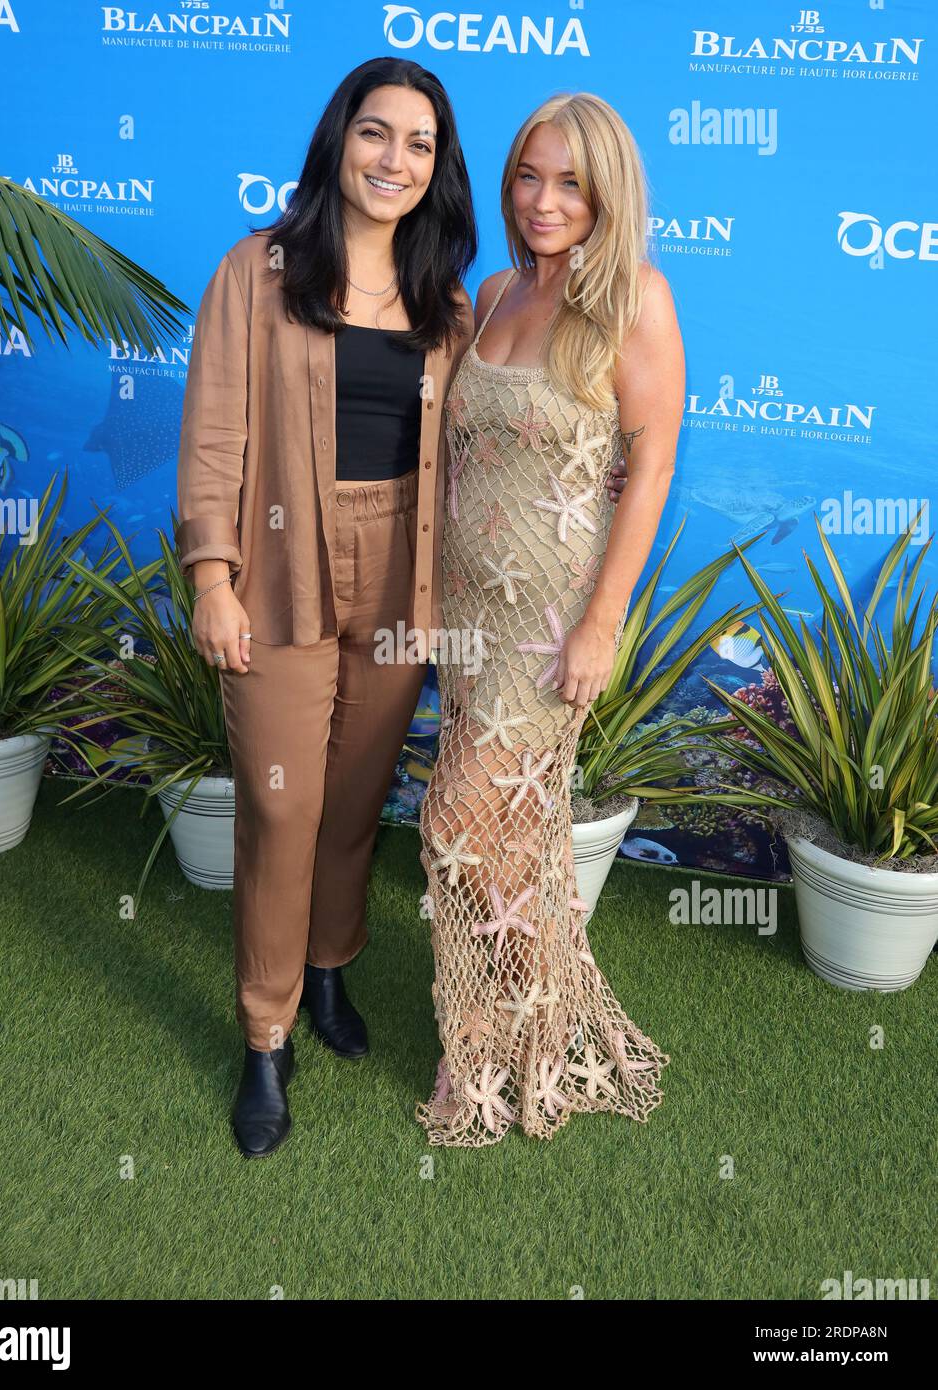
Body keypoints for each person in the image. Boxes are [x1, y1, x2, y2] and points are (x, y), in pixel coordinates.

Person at [175, 57, 477, 1157]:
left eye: (418, 144)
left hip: (403, 575)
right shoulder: (255, 273)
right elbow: (213, 435)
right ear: (336, 139)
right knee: (284, 808)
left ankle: (328, 973)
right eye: (374, 133)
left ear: (436, 169)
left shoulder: (445, 300)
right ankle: (264, 1035)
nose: (393, 159)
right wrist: (213, 577)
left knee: (353, 805)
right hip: (280, 567)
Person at [416, 92, 685, 1146]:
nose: (541, 199)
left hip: (549, 621)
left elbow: (651, 463)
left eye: (568, 181)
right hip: (470, 618)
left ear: (605, 191)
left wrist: (602, 622)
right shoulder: (492, 292)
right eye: (528, 174)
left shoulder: (634, 302)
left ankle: (502, 1032)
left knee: (458, 826)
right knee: (505, 841)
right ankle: (523, 1023)